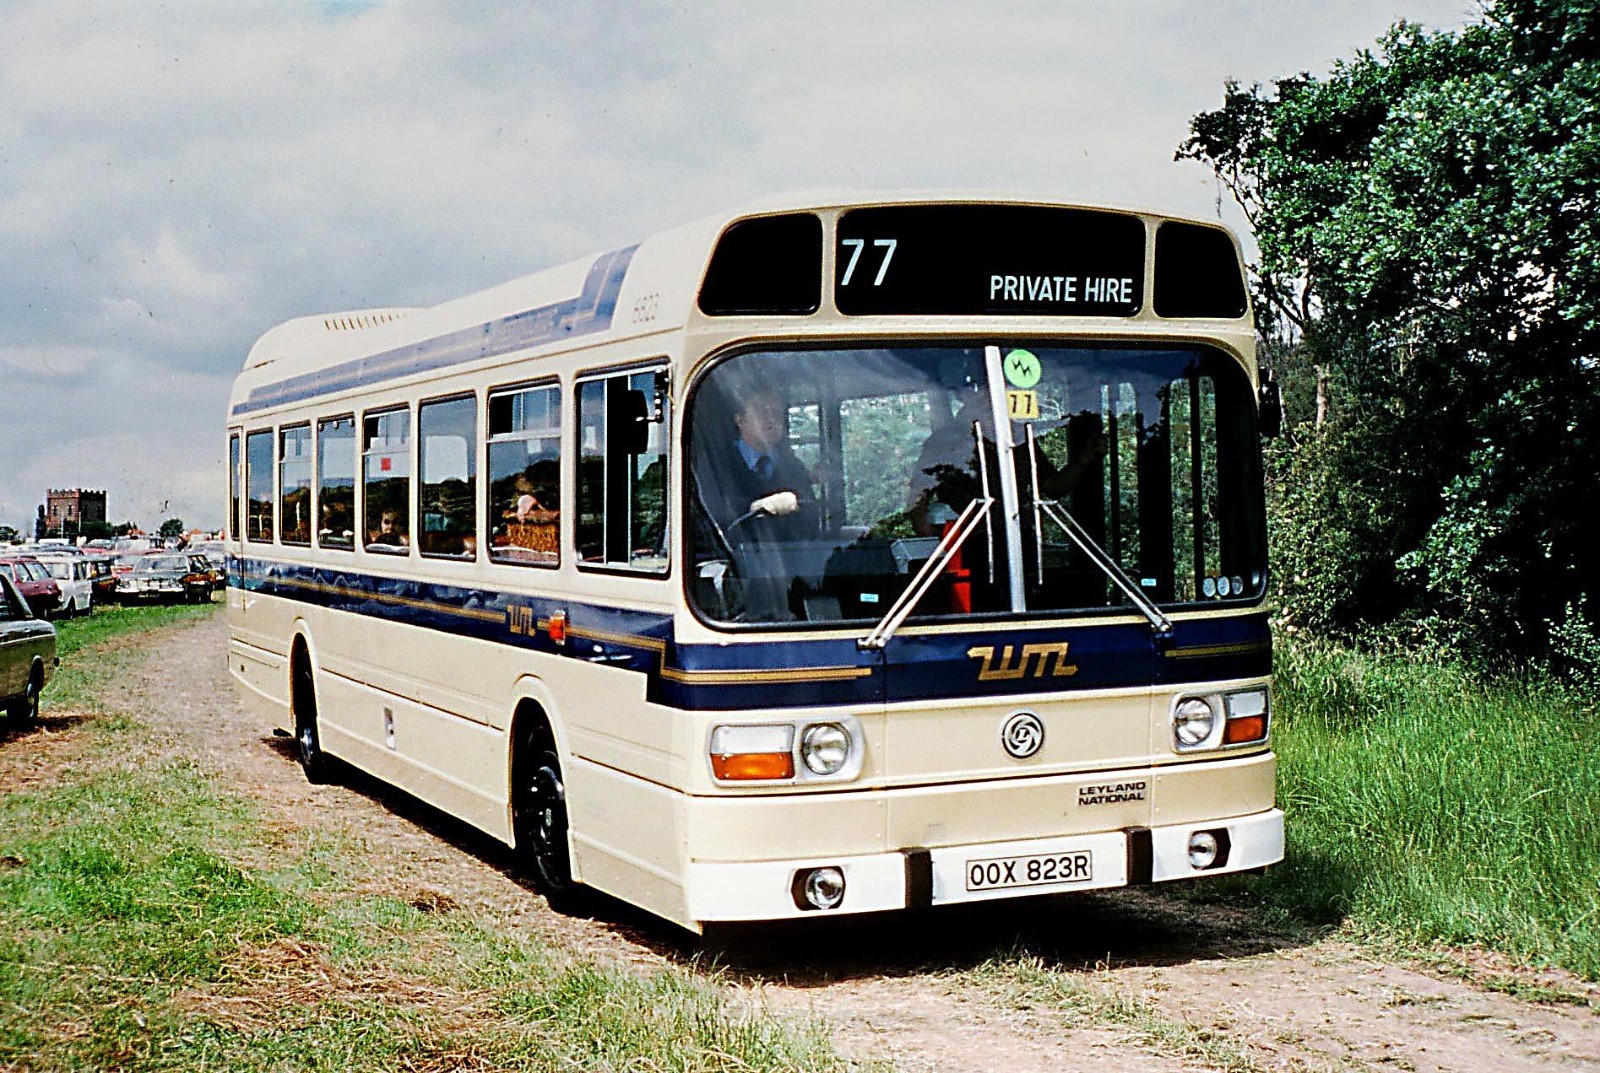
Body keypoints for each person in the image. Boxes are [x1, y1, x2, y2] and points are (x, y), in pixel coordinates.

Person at [696, 387, 819, 544]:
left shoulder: (793, 468)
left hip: (790, 560)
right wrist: (757, 508)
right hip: (733, 560)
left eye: (776, 413)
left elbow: (812, 522)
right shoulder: (716, 464)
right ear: (740, 420)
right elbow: (712, 519)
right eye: (761, 411)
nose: (771, 420)